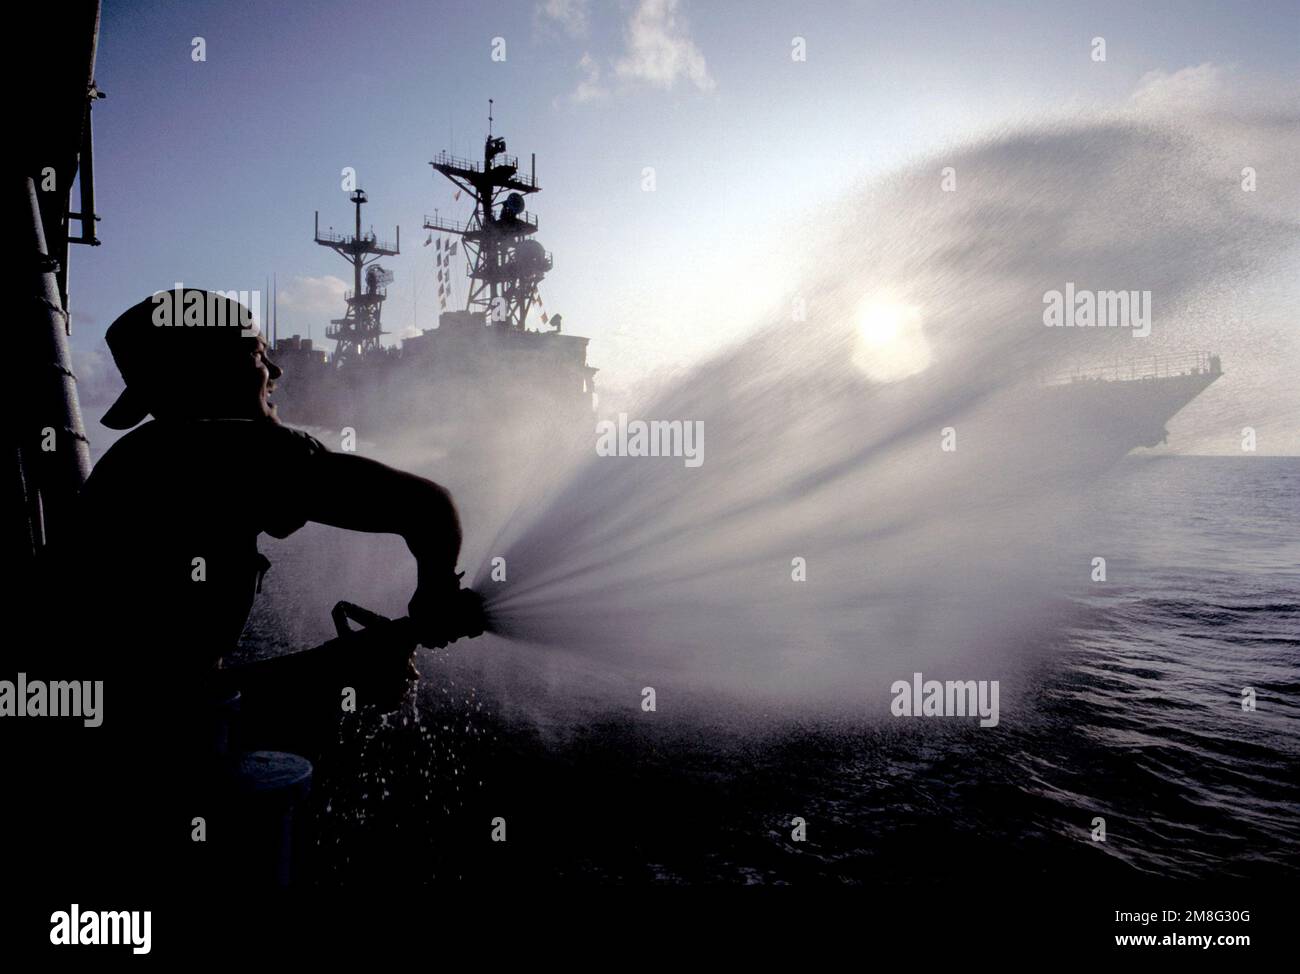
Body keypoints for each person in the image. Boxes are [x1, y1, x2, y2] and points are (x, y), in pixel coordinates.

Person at [40, 288, 483, 888]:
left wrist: (333, 667)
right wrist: (364, 648)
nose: (274, 371)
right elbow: (426, 507)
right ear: (212, 373)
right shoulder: (229, 448)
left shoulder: (142, 457)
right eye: (257, 354)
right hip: (130, 779)